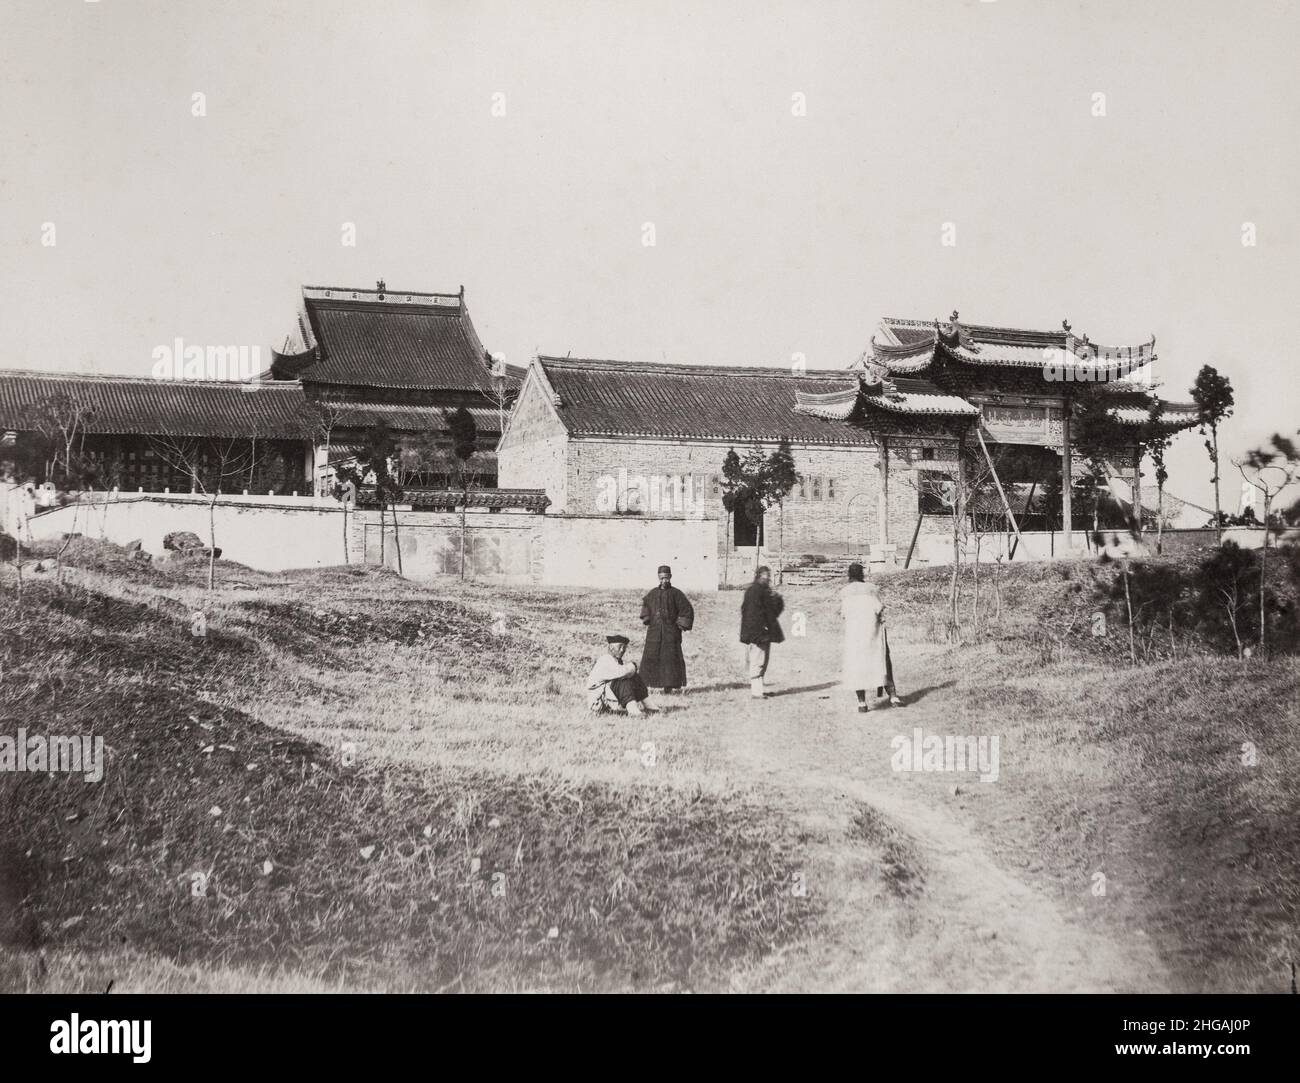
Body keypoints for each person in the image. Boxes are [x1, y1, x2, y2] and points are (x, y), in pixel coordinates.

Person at [839, 563, 903, 712]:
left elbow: (843, 614)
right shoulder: (872, 589)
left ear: (849, 575)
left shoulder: (844, 592)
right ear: (862, 574)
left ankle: (862, 703)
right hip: (872, 633)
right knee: (883, 660)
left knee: (857, 665)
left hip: (854, 636)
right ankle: (893, 696)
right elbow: (879, 609)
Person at [639, 564, 694, 694]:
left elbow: (687, 610)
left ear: (670, 577)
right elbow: (646, 605)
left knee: (670, 660)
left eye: (667, 578)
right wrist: (647, 617)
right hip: (654, 633)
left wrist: (679, 624)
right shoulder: (652, 593)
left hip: (671, 634)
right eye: (662, 578)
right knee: (651, 658)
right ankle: (646, 687)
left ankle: (668, 687)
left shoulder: (677, 594)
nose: (665, 580)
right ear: (659, 578)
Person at [739, 565, 784, 698]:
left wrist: (777, 600)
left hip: (762, 631)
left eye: (769, 576)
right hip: (758, 632)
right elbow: (753, 614)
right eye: (766, 576)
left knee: (762, 660)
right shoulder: (755, 591)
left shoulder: (761, 591)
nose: (768, 578)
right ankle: (756, 692)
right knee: (758, 661)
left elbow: (772, 612)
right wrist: (760, 628)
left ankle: (759, 690)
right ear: (759, 576)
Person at [587, 634, 653, 716]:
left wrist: (632, 669)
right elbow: (621, 672)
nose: (622, 650)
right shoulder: (605, 660)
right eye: (620, 647)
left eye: (624, 647)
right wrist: (633, 666)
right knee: (622, 678)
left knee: (633, 676)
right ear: (611, 648)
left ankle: (649, 705)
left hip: (607, 698)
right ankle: (632, 710)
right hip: (598, 703)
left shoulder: (615, 661)